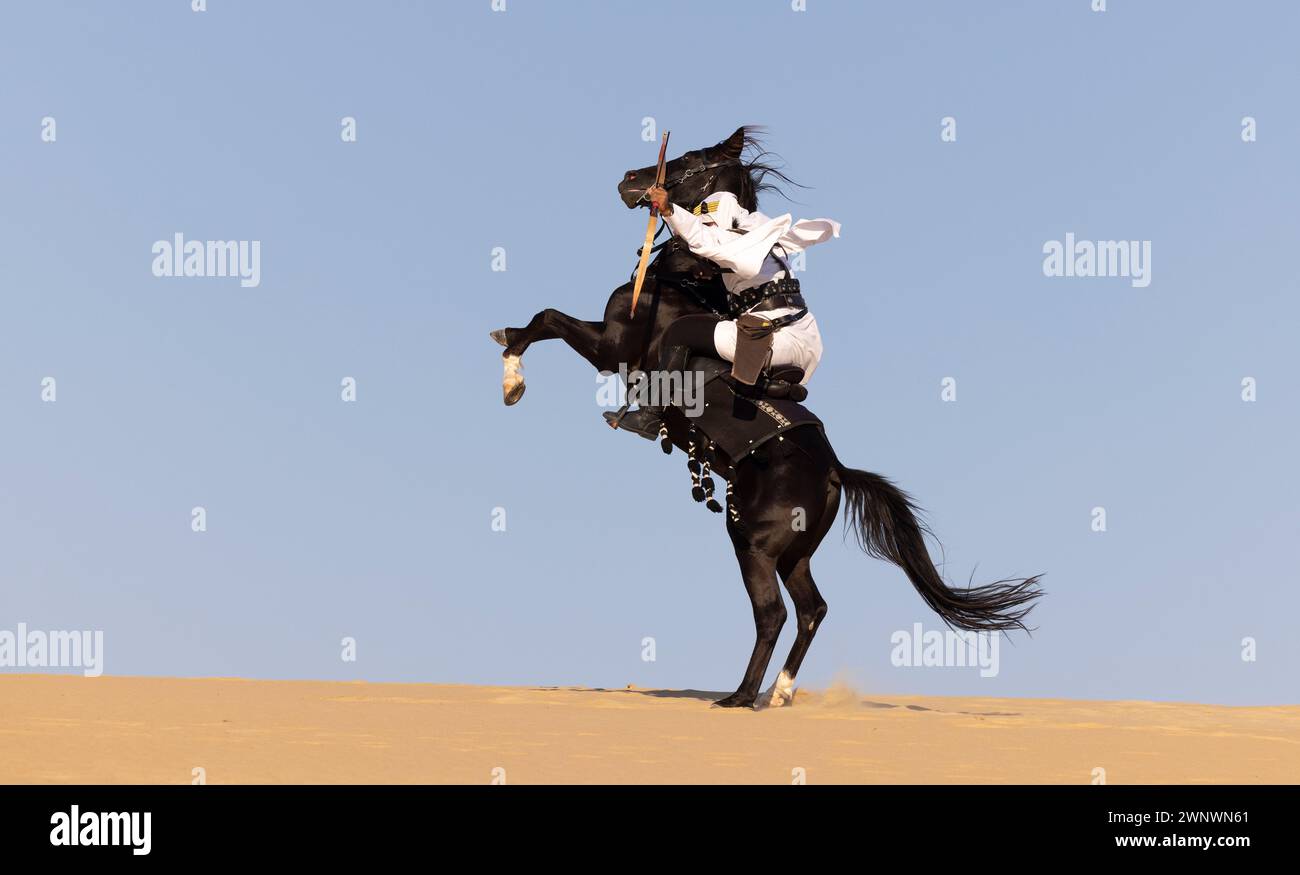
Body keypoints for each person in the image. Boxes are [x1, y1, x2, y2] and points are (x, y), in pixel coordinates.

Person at [607, 182, 840, 439]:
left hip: (773, 340)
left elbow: (703, 239)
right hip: (806, 347)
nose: (707, 229)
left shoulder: (735, 241)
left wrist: (669, 209)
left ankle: (650, 415)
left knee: (681, 332)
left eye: (708, 223)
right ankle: (769, 388)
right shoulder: (765, 242)